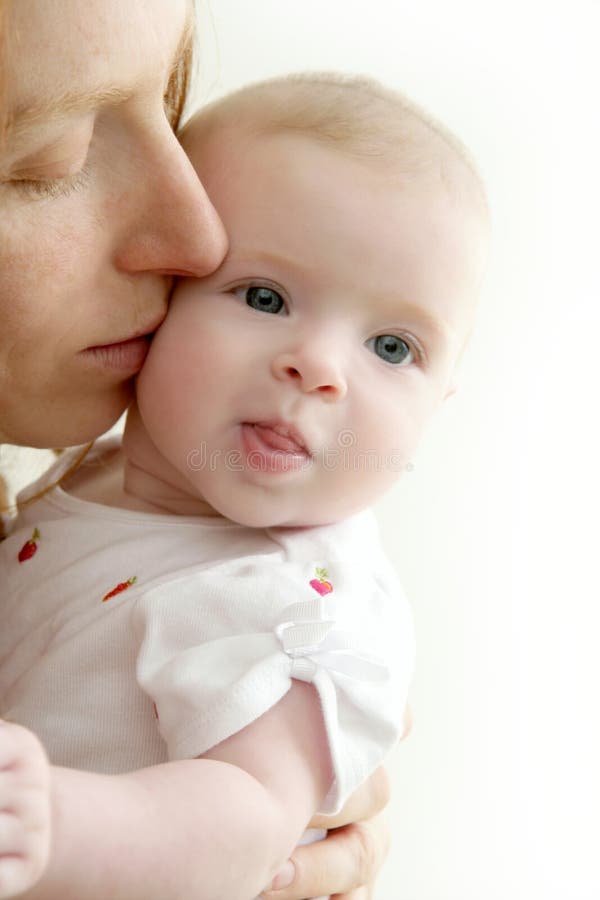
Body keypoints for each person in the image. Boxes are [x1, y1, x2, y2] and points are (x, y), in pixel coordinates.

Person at [0, 73, 489, 899]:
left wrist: (51, 820)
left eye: (394, 348)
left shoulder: (286, 601)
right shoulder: (97, 474)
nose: (321, 368)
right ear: (158, 297)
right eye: (264, 297)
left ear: (441, 403)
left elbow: (248, 822)